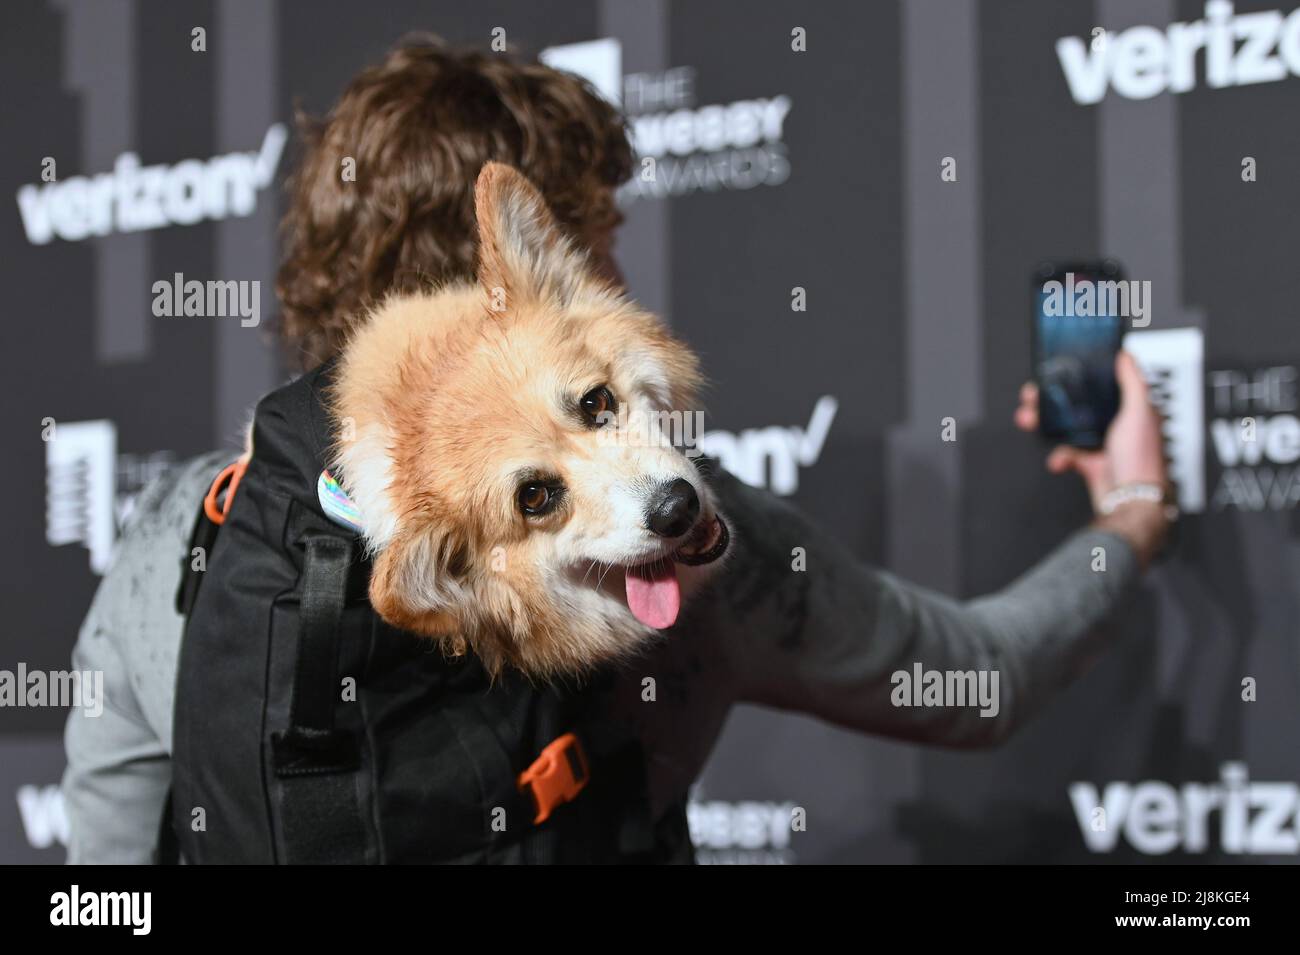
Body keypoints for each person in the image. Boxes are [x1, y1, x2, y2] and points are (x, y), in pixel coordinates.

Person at [62, 34, 1171, 863]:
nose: (620, 283)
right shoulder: (679, 538)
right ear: (525, 262)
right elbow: (972, 677)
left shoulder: (196, 528)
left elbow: (109, 868)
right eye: (602, 248)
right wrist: (1131, 508)